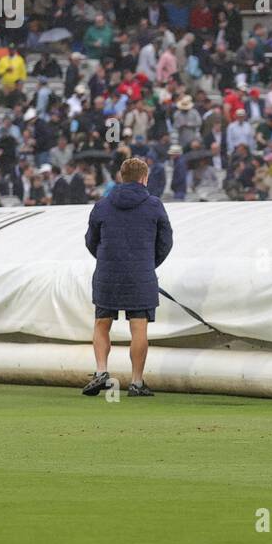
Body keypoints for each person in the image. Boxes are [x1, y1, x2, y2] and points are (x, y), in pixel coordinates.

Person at [82, 157, 173, 397]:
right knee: (139, 328)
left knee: (102, 323)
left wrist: (106, 259)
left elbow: (91, 241)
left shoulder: (102, 205)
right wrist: (148, 264)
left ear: (122, 177)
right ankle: (136, 382)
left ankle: (101, 371)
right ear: (144, 178)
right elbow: (166, 242)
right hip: (140, 275)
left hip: (107, 273)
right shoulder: (154, 205)